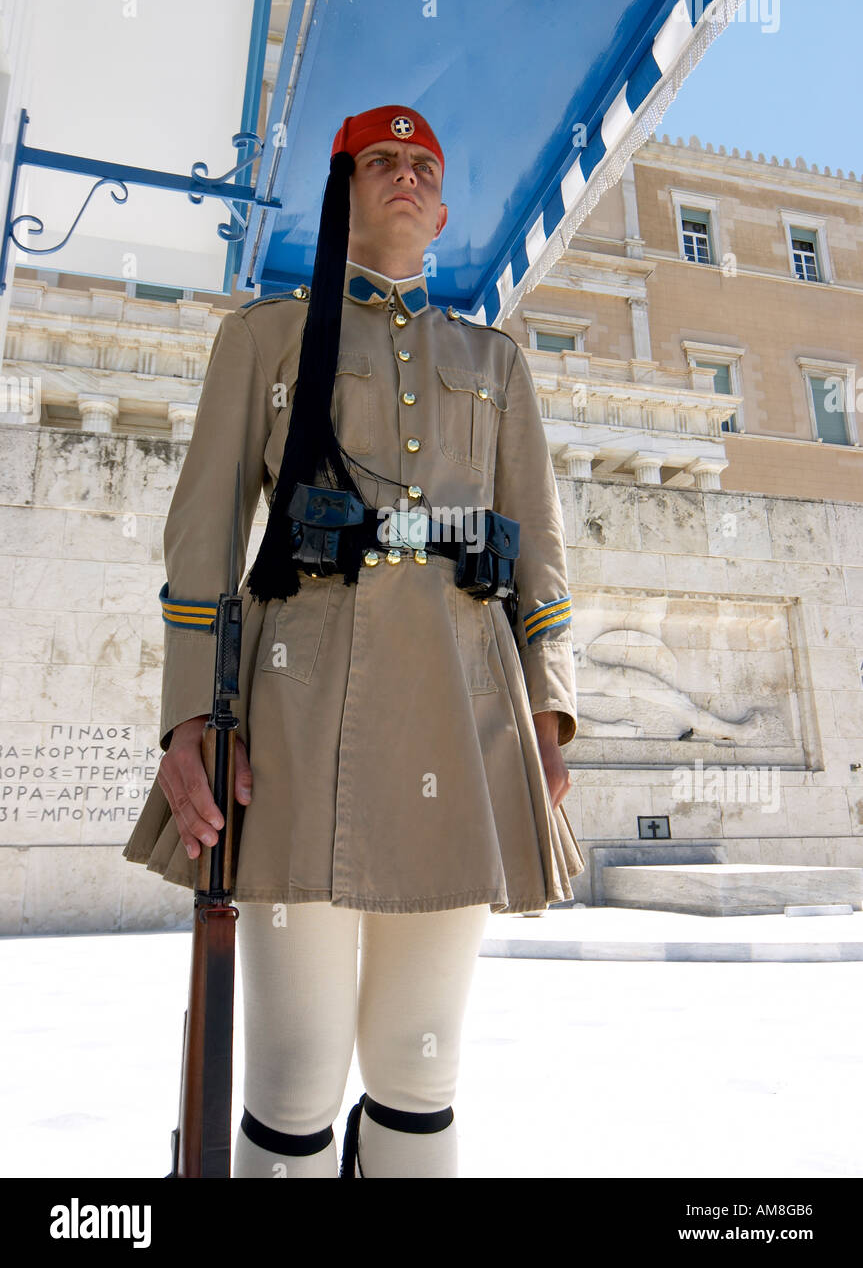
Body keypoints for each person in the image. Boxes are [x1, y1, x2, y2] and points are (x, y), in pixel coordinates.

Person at [123, 104, 583, 1178]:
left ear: (444, 207)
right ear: (343, 193)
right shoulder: (265, 337)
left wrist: (549, 715)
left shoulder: (495, 360)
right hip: (299, 710)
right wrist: (192, 714)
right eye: (380, 162)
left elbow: (541, 555)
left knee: (420, 1073)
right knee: (292, 1076)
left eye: (423, 165)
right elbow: (201, 538)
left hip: (464, 718)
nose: (407, 177)